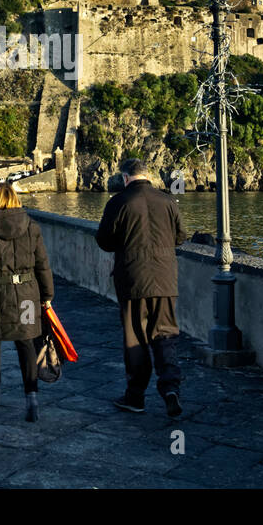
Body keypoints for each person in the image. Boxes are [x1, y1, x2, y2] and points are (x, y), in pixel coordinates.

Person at [95, 157, 187, 417]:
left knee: (136, 337)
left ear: (125, 177)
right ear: (148, 175)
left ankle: (135, 396)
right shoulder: (169, 201)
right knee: (166, 334)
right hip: (165, 278)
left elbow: (104, 240)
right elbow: (180, 236)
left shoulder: (118, 202)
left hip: (133, 278)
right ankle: (170, 388)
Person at [0, 182, 53, 422]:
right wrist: (47, 296)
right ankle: (32, 397)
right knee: (26, 343)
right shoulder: (31, 226)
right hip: (26, 293)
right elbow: (42, 265)